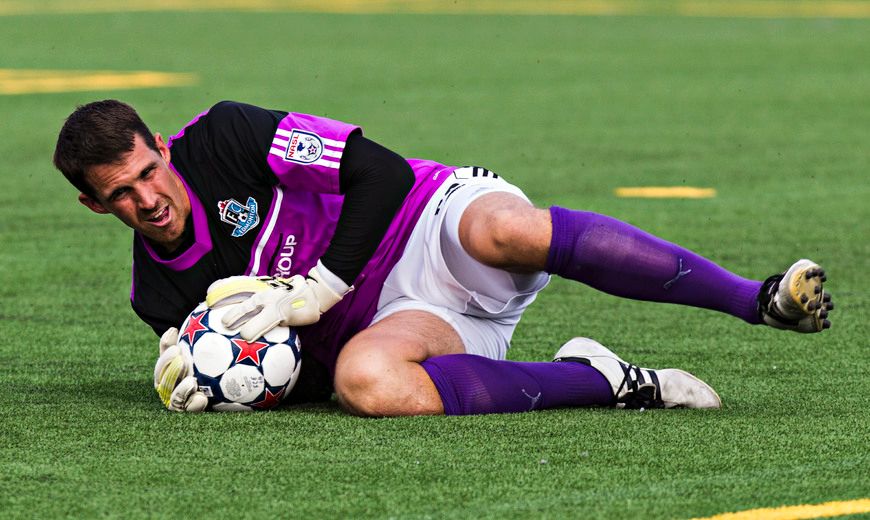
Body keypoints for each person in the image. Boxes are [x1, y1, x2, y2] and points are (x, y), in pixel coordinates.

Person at [53, 100, 834, 416]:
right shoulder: (159, 299)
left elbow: (383, 173)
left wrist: (318, 287)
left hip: (428, 222)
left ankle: (757, 299)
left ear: (163, 147)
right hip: (403, 320)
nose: (147, 198)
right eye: (121, 194)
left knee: (509, 231)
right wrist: (230, 376)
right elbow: (307, 378)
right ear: (95, 205)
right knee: (365, 383)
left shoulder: (227, 135)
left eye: (148, 171)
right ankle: (616, 382)